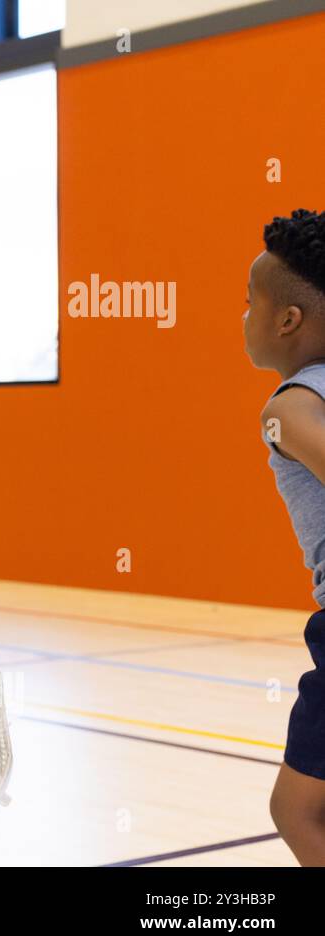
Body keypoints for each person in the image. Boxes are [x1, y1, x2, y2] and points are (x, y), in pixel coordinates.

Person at [247, 208, 325, 865]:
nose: (242, 317)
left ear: (287, 320)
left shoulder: (288, 408)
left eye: (249, 303)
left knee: (297, 809)